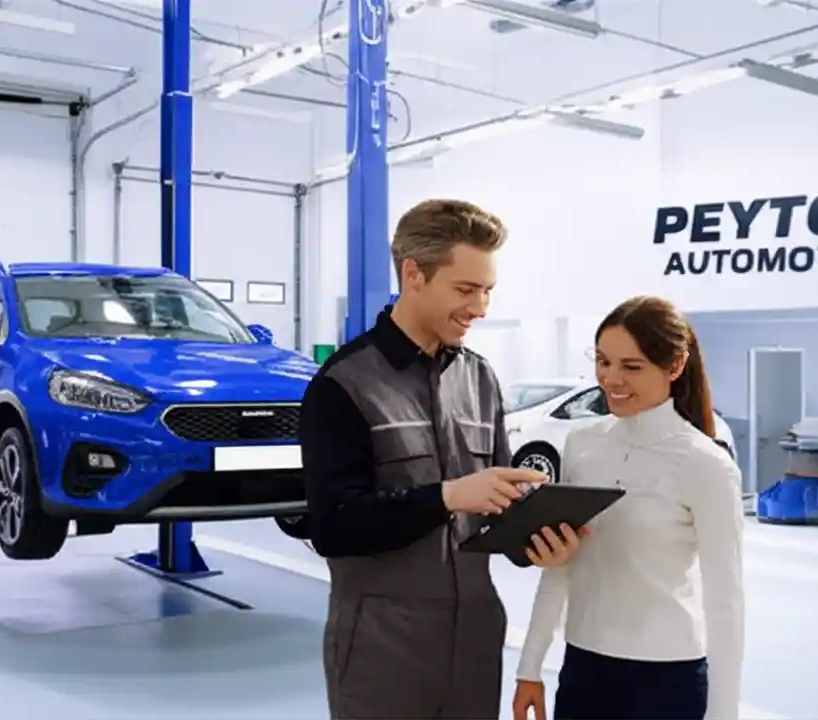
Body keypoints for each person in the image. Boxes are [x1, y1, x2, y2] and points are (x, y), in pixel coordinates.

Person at [300, 198, 586, 720]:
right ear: (414, 274)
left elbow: (498, 513)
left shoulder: (480, 379)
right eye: (466, 289)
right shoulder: (343, 384)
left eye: (487, 291)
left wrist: (537, 543)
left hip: (475, 637)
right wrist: (448, 497)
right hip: (382, 645)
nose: (480, 308)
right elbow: (334, 527)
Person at [511, 295, 746, 720]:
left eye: (631, 366)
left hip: (667, 680)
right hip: (583, 669)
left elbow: (726, 604)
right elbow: (562, 567)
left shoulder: (706, 465)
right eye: (603, 361)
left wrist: (723, 714)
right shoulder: (582, 445)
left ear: (674, 366)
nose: (611, 379)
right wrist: (530, 667)